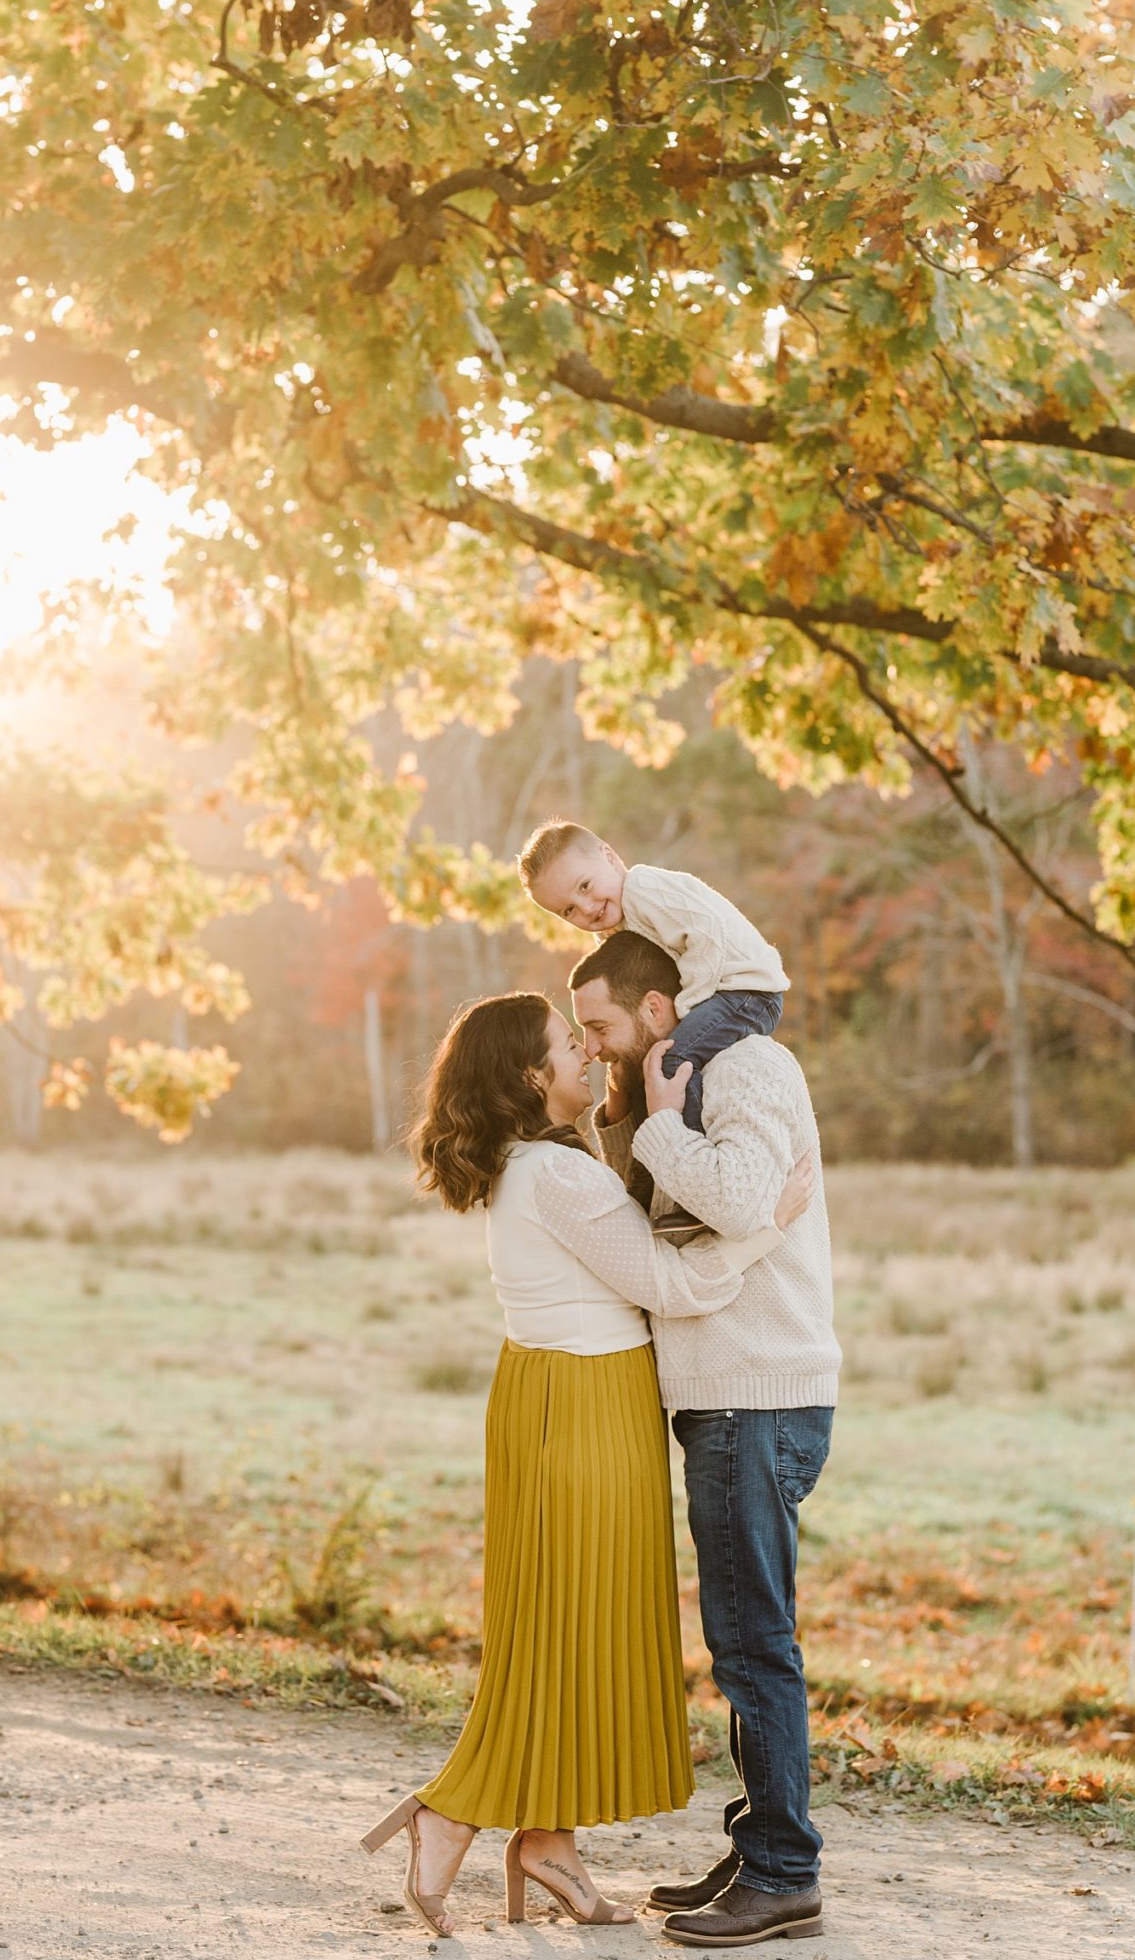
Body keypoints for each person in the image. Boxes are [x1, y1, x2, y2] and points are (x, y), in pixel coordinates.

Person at [359, 991, 815, 1939]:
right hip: (584, 1404)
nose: (588, 1055)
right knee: (568, 1626)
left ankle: (548, 1843)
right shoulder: (555, 1177)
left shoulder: (546, 1163)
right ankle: (452, 1810)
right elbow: (670, 1283)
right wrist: (773, 1219)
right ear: (533, 1076)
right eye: (573, 1046)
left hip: (563, 1397)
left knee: (571, 1627)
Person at [569, 930, 840, 1950]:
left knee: (754, 1640)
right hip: (726, 1393)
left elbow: (732, 1203)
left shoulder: (748, 1067)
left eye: (600, 1026)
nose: (592, 1048)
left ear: (652, 1010)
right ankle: (757, 1843)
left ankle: (784, 1871)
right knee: (739, 1636)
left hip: (755, 1393)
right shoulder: (686, 1084)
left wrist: (660, 1120)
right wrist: (644, 1116)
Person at [516, 819, 789, 1154]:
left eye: (585, 886)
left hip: (746, 990)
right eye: (569, 909)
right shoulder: (615, 926)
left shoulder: (644, 890)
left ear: (610, 857)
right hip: (722, 994)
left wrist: (685, 1010)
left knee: (673, 1061)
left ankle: (690, 1150)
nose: (586, 908)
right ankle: (650, 1170)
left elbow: (706, 938)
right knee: (649, 1071)